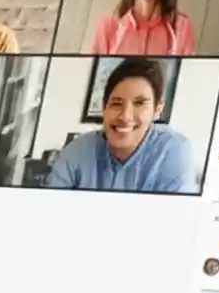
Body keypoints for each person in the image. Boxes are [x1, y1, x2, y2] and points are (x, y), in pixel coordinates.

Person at [45, 57, 196, 193]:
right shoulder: (76, 151)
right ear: (104, 107)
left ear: (157, 109)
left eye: (139, 103)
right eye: (116, 103)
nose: (125, 116)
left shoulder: (174, 152)